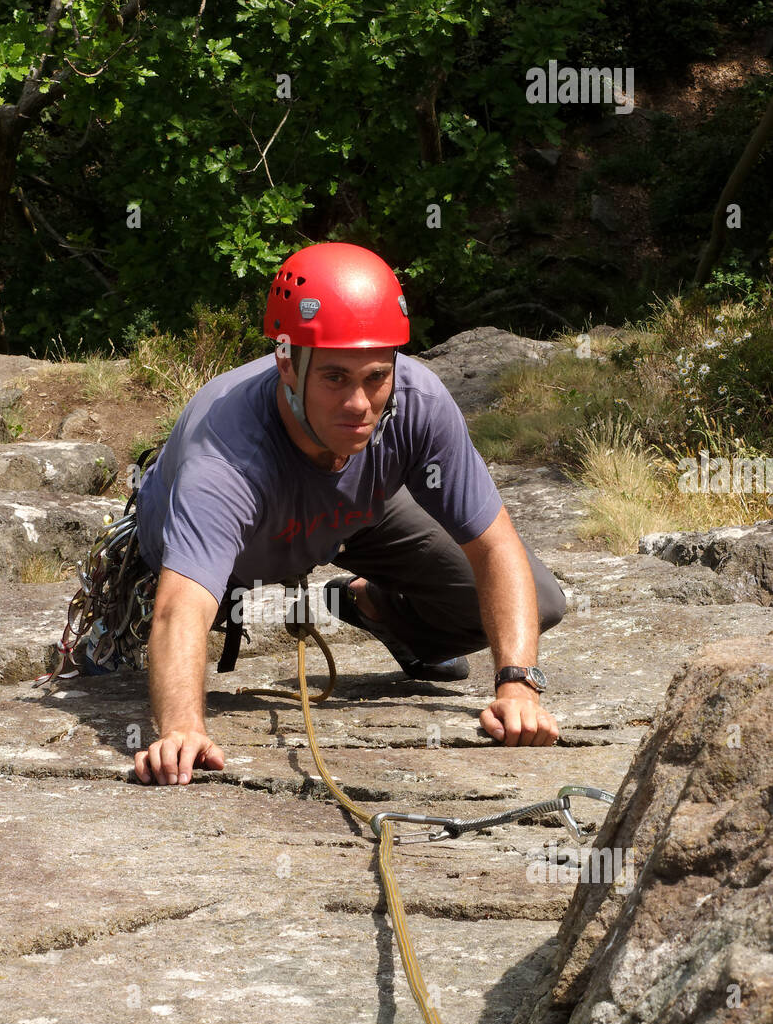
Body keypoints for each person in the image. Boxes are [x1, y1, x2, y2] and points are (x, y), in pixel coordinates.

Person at [129, 242, 565, 787]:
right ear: (287, 363)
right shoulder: (226, 452)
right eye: (335, 377)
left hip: (350, 513)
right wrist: (181, 730)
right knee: (167, 651)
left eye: (376, 377)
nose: (359, 404)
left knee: (542, 601)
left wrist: (517, 685)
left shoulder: (417, 401)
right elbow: (180, 608)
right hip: (238, 547)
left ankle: (378, 608)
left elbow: (496, 548)